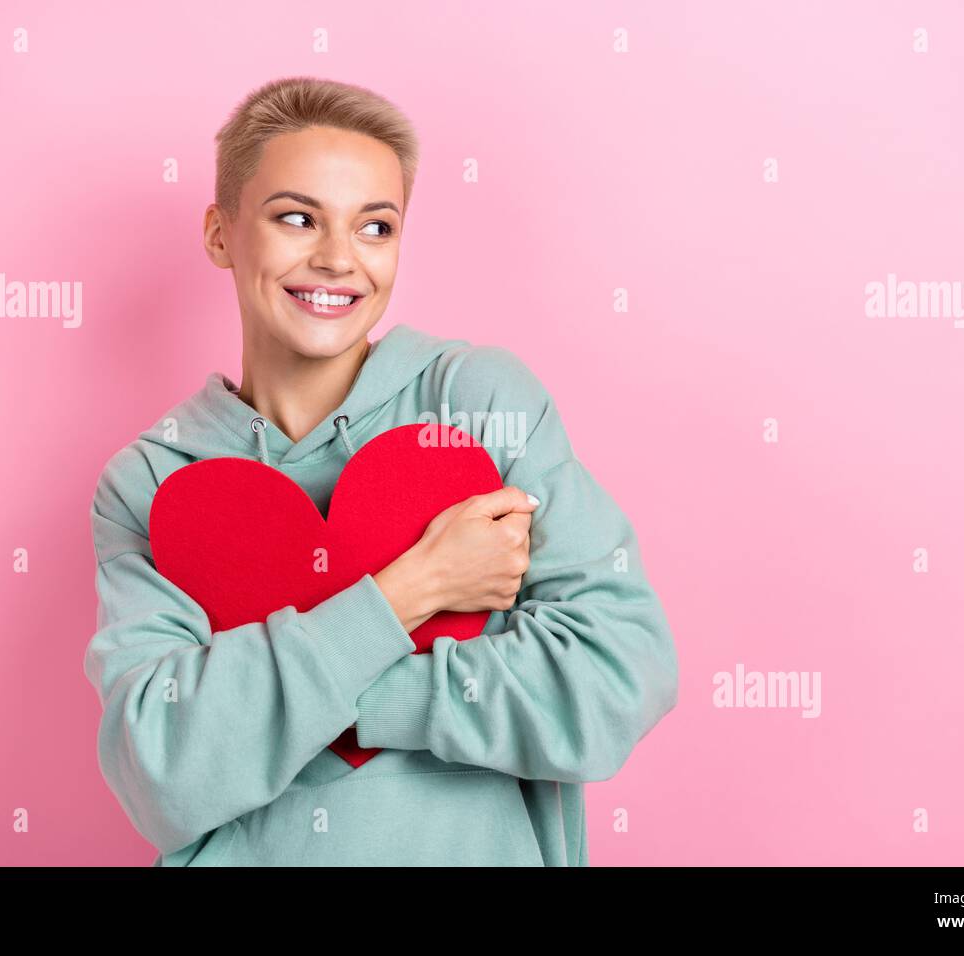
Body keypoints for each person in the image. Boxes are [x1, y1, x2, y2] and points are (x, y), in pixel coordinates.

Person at [83, 75, 679, 866]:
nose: (337, 260)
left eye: (375, 227)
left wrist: (306, 702)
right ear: (222, 235)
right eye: (297, 218)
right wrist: (414, 590)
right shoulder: (155, 481)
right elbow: (160, 772)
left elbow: (618, 678)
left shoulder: (475, 403)